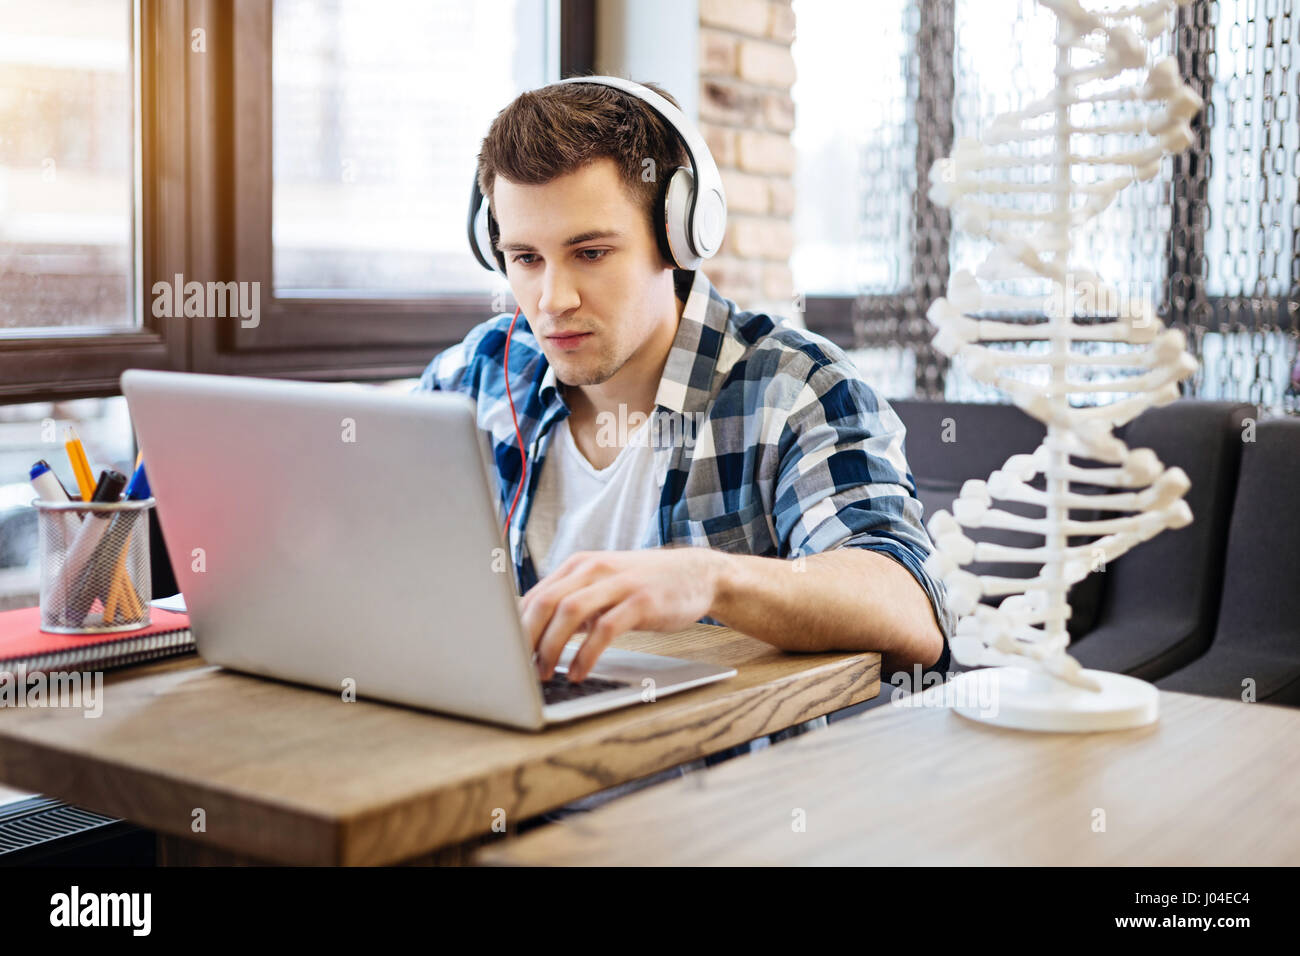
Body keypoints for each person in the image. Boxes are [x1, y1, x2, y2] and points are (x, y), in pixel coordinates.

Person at [416, 78, 954, 720]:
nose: (552, 299)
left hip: (707, 797)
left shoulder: (791, 385)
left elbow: (911, 612)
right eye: (525, 258)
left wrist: (708, 578)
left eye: (590, 252)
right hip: (497, 774)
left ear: (679, 238)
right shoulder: (474, 374)